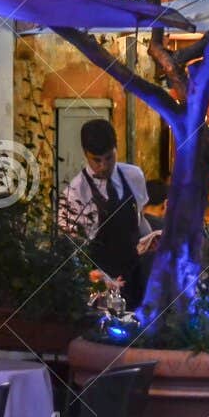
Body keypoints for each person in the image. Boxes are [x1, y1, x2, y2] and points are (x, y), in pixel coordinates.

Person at [60, 118, 152, 308]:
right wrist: (94, 278)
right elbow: (71, 251)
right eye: (96, 160)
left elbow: (140, 220)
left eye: (109, 158)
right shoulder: (75, 192)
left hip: (135, 276)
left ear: (116, 148)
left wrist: (152, 239)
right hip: (99, 286)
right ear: (86, 154)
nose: (103, 166)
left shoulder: (134, 176)